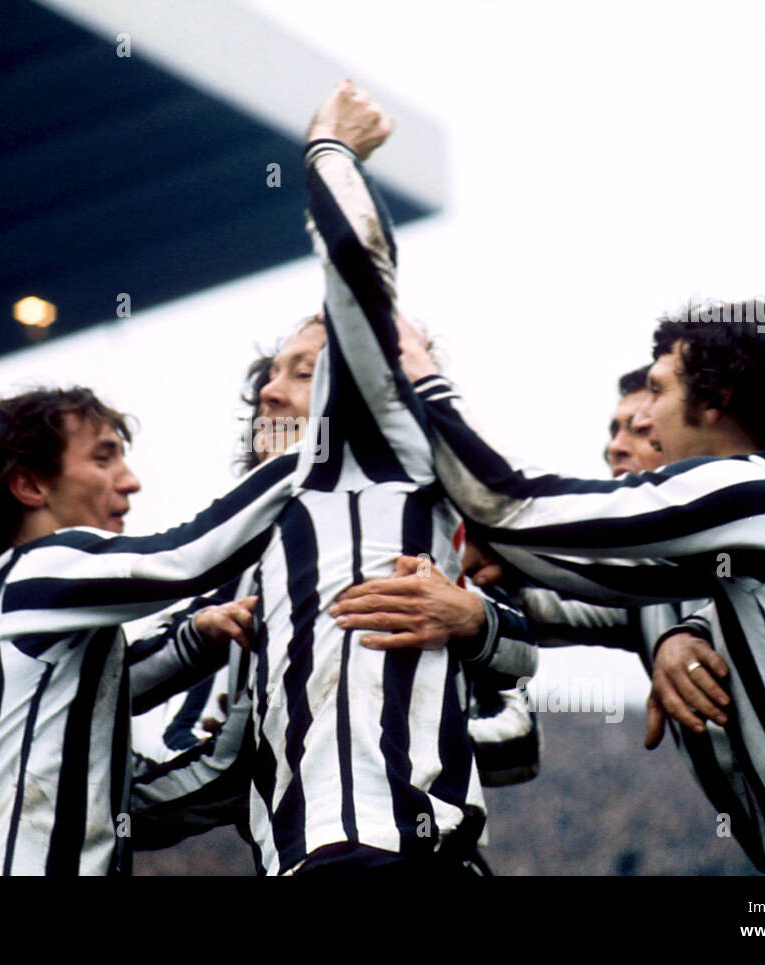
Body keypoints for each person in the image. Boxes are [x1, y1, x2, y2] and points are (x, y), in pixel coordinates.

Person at [390, 300, 765, 875]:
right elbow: (578, 573)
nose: (646, 421)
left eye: (660, 393)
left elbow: (518, 504)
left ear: (717, 401)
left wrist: (422, 376)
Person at [129, 332, 540, 860]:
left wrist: (394, 731)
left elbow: (522, 741)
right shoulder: (231, 586)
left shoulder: (445, 553)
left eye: (303, 375)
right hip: (302, 856)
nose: (270, 394)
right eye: (270, 377)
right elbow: (197, 754)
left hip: (434, 855)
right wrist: (274, 733)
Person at [0, 387, 300, 875]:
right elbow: (187, 559)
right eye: (103, 459)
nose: (131, 482)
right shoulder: (36, 570)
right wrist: (314, 452)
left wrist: (205, 644)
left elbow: (133, 804)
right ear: (31, 486)